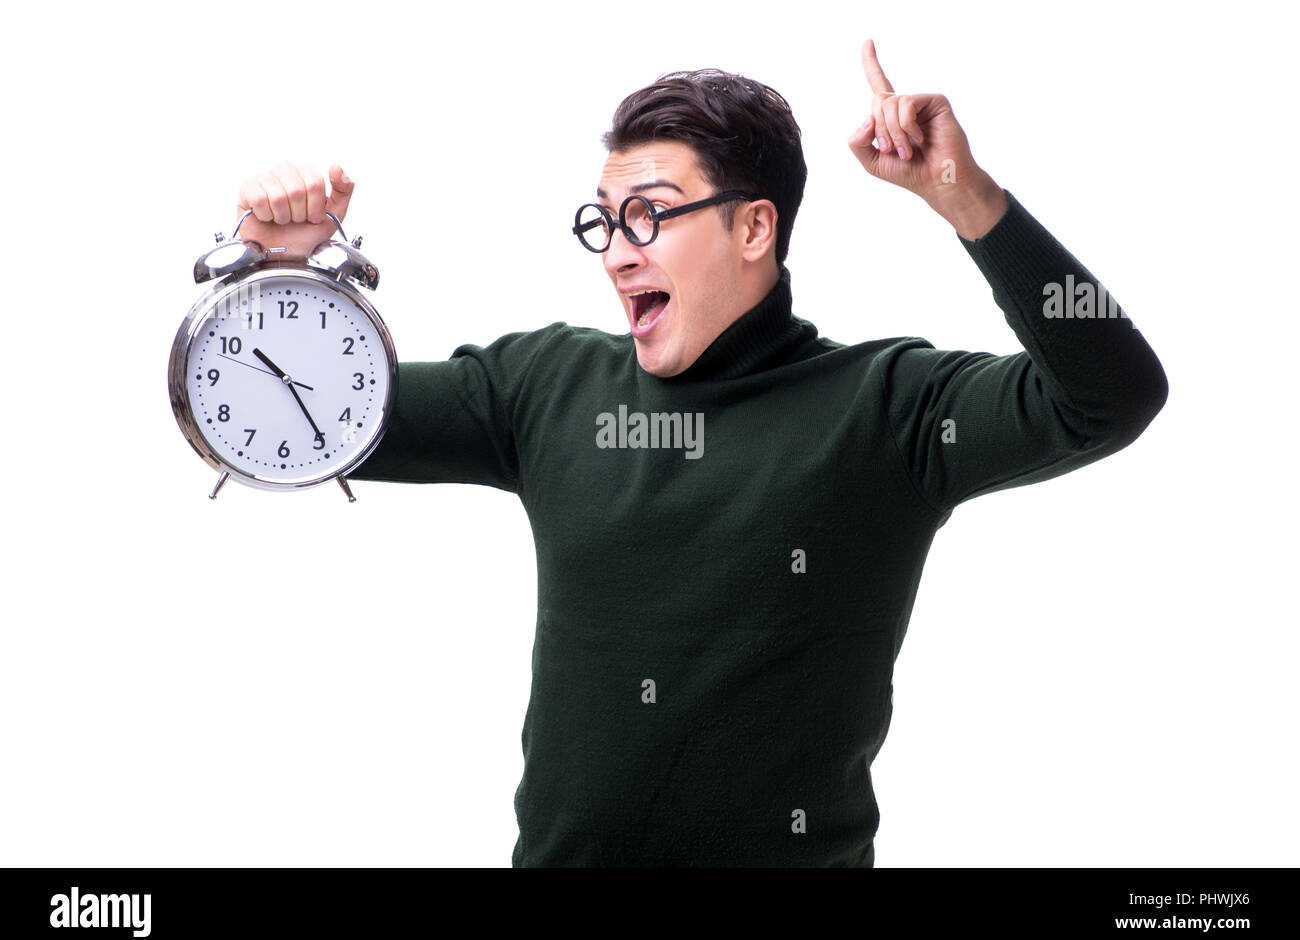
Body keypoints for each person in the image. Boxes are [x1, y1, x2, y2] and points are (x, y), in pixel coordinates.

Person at [231, 40, 1168, 866]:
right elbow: (284, 414)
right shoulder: (544, 386)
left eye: (651, 216)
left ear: (754, 227)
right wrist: (280, 275)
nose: (616, 253)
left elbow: (1112, 394)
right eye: (606, 220)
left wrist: (967, 200)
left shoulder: (888, 409)